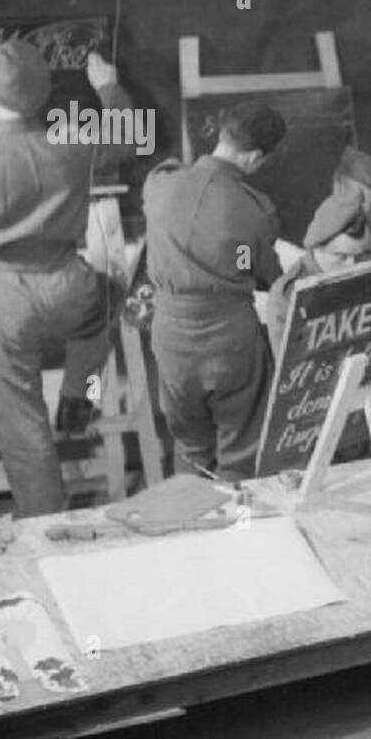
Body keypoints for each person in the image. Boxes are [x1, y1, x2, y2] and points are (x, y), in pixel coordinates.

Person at [0, 39, 135, 517]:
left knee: (22, 424)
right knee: (109, 299)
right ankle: (77, 396)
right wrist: (108, 88)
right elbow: (124, 139)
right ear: (45, 93)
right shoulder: (74, 142)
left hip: (3, 297)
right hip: (68, 283)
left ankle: (47, 526)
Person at [143, 101, 286, 482]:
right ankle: (240, 530)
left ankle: (192, 528)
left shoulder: (158, 184)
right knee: (240, 449)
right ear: (255, 156)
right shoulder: (253, 210)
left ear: (221, 136)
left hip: (171, 335)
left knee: (190, 448)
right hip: (228, 340)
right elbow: (255, 270)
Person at [266, 147, 371, 353]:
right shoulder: (287, 296)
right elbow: (290, 375)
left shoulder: (370, 264)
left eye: (356, 256)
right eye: (341, 257)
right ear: (317, 246)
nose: (352, 266)